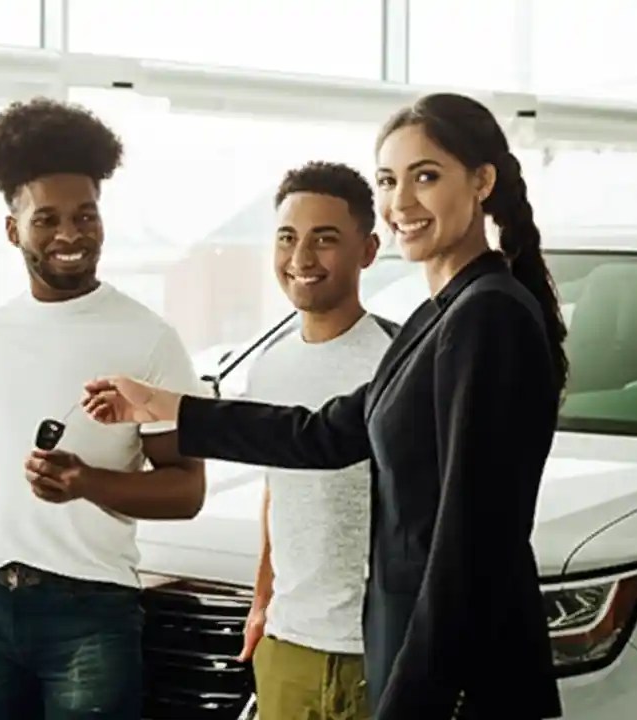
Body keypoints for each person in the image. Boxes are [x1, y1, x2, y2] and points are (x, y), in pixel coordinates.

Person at [81, 92, 567, 720]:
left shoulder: (487, 317)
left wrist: (413, 701)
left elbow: (467, 547)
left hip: (457, 679)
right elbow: (325, 434)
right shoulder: (442, 316)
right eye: (389, 180)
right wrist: (168, 405)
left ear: (482, 182)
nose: (402, 203)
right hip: (420, 658)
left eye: (426, 176)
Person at [0, 97, 207, 720]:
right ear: (14, 231)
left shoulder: (147, 336)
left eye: (85, 216)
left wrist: (85, 482)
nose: (70, 234)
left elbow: (187, 491)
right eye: (48, 219)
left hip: (88, 611)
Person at [237, 161, 395, 720]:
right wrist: (261, 604)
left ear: (368, 250)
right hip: (289, 647)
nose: (301, 259)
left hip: (381, 651)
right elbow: (276, 494)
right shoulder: (268, 368)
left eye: (324, 240)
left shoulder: (399, 363)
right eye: (287, 238)